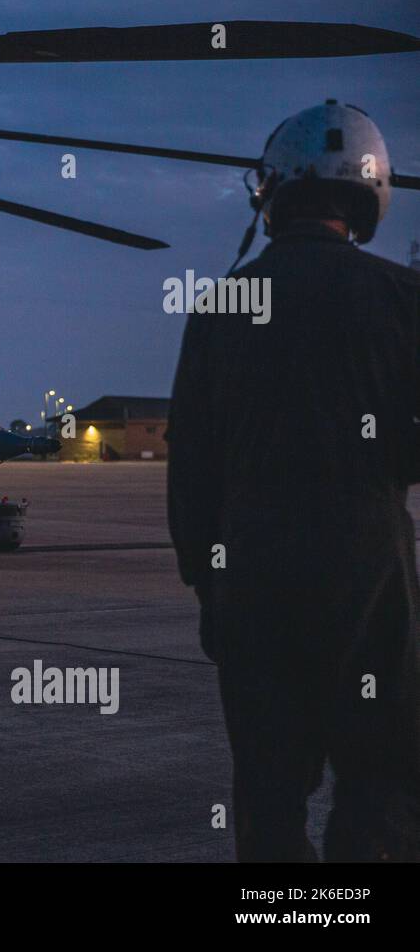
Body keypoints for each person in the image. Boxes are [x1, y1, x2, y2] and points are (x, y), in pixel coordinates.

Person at [168, 100, 420, 862]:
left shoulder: (221, 308)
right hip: (370, 574)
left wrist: (210, 590)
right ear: (368, 195)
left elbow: (191, 475)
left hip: (252, 577)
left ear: (271, 192)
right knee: (382, 788)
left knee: (269, 799)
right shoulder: (404, 299)